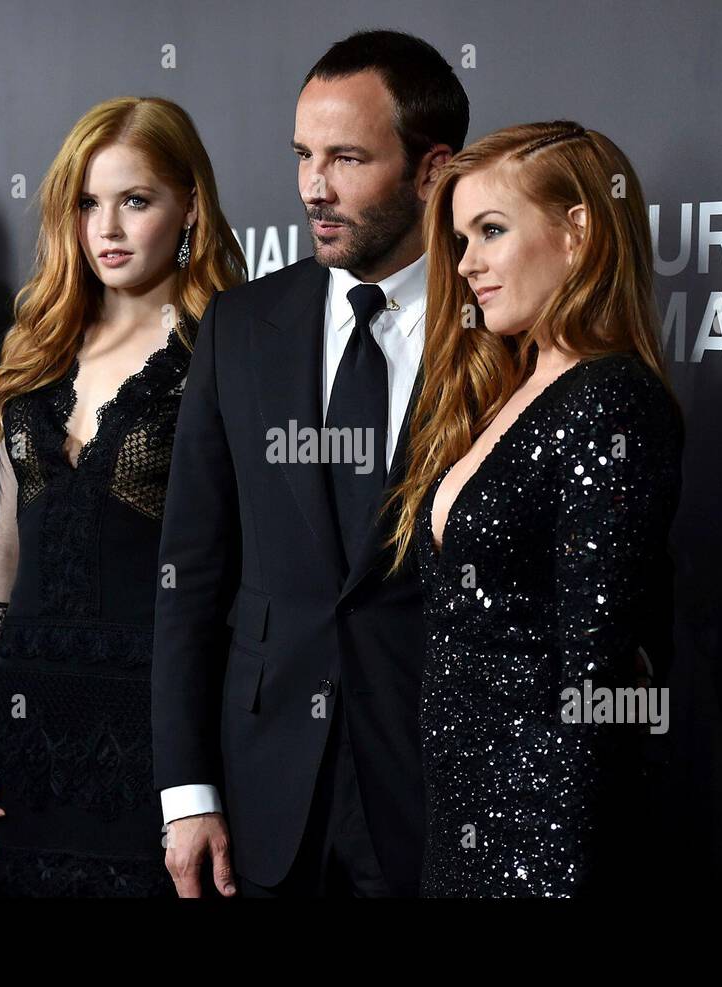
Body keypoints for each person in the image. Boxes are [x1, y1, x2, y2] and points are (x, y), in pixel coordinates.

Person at [152, 30, 468, 897]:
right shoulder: (241, 327)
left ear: (432, 169)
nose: (313, 187)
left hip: (433, 783)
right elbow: (192, 567)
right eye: (302, 155)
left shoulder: (495, 333)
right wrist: (187, 789)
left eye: (348, 158)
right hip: (263, 786)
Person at [0, 96, 247, 896]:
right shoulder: (37, 350)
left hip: (157, 729)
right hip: (27, 724)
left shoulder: (228, 345)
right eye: (88, 203)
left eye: (135, 201)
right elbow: (6, 546)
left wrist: (200, 773)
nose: (107, 228)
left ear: (189, 205)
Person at [384, 121, 685, 897]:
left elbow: (600, 679)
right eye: (459, 238)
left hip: (547, 839)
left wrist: (561, 869)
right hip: (461, 820)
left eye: (491, 230)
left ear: (578, 231)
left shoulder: (611, 401)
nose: (467, 263)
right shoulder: (504, 393)